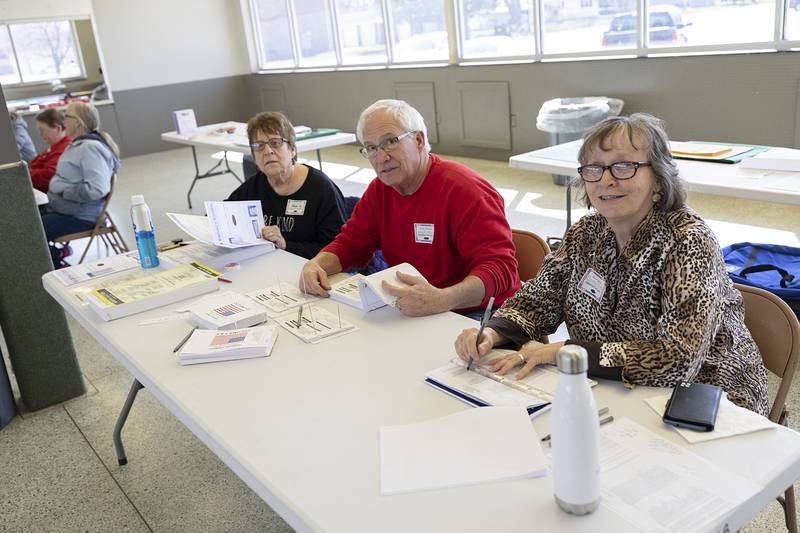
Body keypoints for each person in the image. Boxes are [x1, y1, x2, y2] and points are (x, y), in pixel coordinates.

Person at [454, 113, 769, 414]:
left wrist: (567, 351)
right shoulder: (586, 233)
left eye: (623, 167)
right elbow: (538, 300)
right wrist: (492, 333)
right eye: (593, 168)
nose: (605, 180)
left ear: (659, 179)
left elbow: (679, 358)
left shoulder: (688, 241)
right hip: (613, 388)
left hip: (706, 398)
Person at [300, 99, 520, 317]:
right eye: (371, 148)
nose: (381, 157)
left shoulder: (465, 190)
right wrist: (316, 264)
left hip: (480, 312)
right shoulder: (380, 190)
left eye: (391, 141)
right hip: (415, 306)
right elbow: (352, 243)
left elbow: (501, 269)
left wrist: (441, 299)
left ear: (419, 140)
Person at [226, 111, 346, 259]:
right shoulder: (255, 185)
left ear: (292, 149)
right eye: (259, 146)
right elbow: (220, 215)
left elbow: (337, 250)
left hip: (310, 269)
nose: (268, 151)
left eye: (275, 143)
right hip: (268, 265)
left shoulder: (321, 189)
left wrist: (286, 246)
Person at [42, 101, 121, 267]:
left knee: (29, 231)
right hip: (66, 210)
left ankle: (56, 267)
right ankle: (55, 256)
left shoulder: (89, 148)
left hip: (80, 216)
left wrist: (63, 192)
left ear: (76, 121)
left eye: (66, 117)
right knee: (29, 221)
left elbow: (97, 189)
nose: (63, 122)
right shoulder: (79, 144)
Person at [29, 108, 72, 193]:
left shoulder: (65, 148)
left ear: (57, 128)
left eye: (43, 130)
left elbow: (48, 176)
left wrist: (25, 174)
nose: (40, 134)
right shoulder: (54, 147)